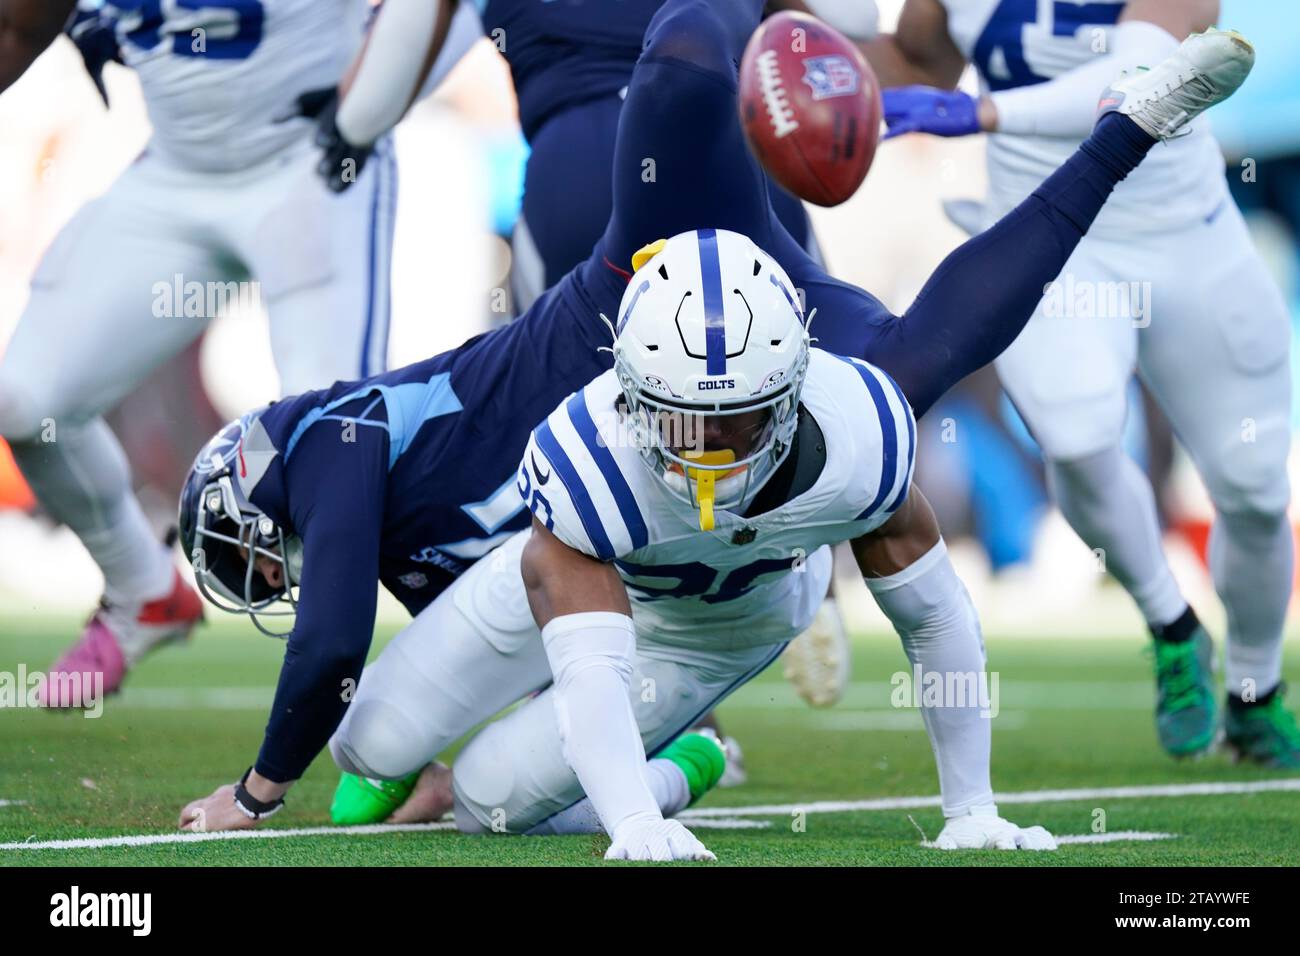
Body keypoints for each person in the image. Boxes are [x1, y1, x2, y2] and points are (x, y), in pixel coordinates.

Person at [174, 0, 1247, 833]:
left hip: (621, 307)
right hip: (640, 469)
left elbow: (327, 645)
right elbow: (536, 610)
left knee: (706, 105)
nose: (280, 568)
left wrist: (259, 790)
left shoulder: (336, 435)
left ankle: (1122, 134)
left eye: (259, 556)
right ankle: (688, 741)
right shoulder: (489, 495)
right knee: (412, 764)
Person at [0, 0, 480, 704]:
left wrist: (365, 113)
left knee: (337, 454)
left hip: (312, 162)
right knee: (26, 398)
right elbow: (20, 27)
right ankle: (143, 588)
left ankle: (494, 658)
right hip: (173, 174)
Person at [870, 0, 1297, 766]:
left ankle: (1256, 691)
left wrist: (981, 111)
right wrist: (813, 69)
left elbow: (1137, 79)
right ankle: (1173, 626)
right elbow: (910, 60)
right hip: (1052, 239)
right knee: (1074, 436)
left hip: (1187, 237)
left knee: (1256, 489)